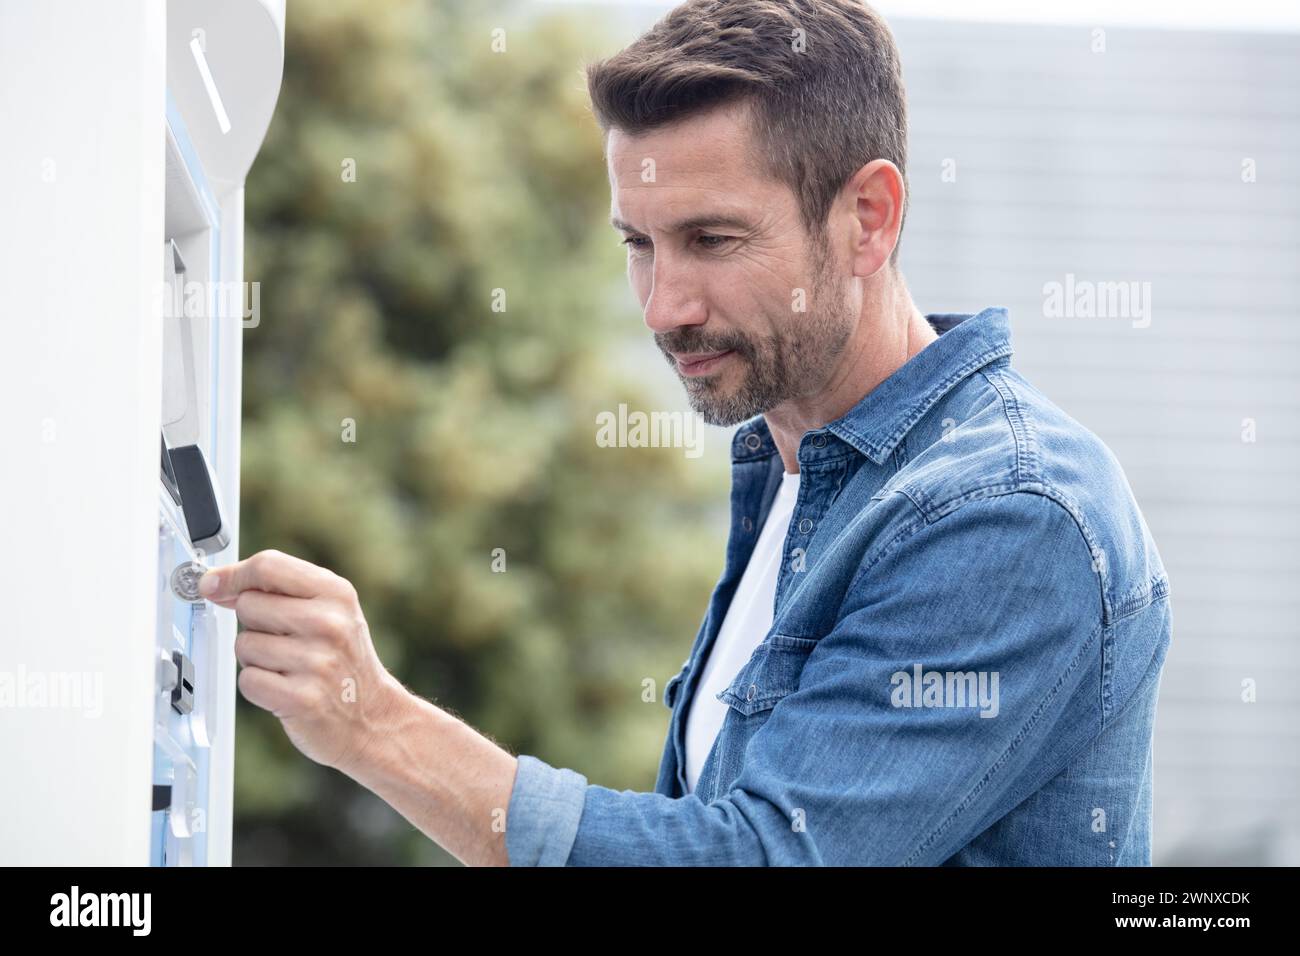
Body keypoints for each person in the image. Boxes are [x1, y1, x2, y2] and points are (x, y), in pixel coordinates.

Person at [203, 0, 1172, 865]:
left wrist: (376, 724)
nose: (664, 306)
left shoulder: (1009, 513)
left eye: (712, 239)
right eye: (638, 243)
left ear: (867, 219)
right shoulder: (796, 468)